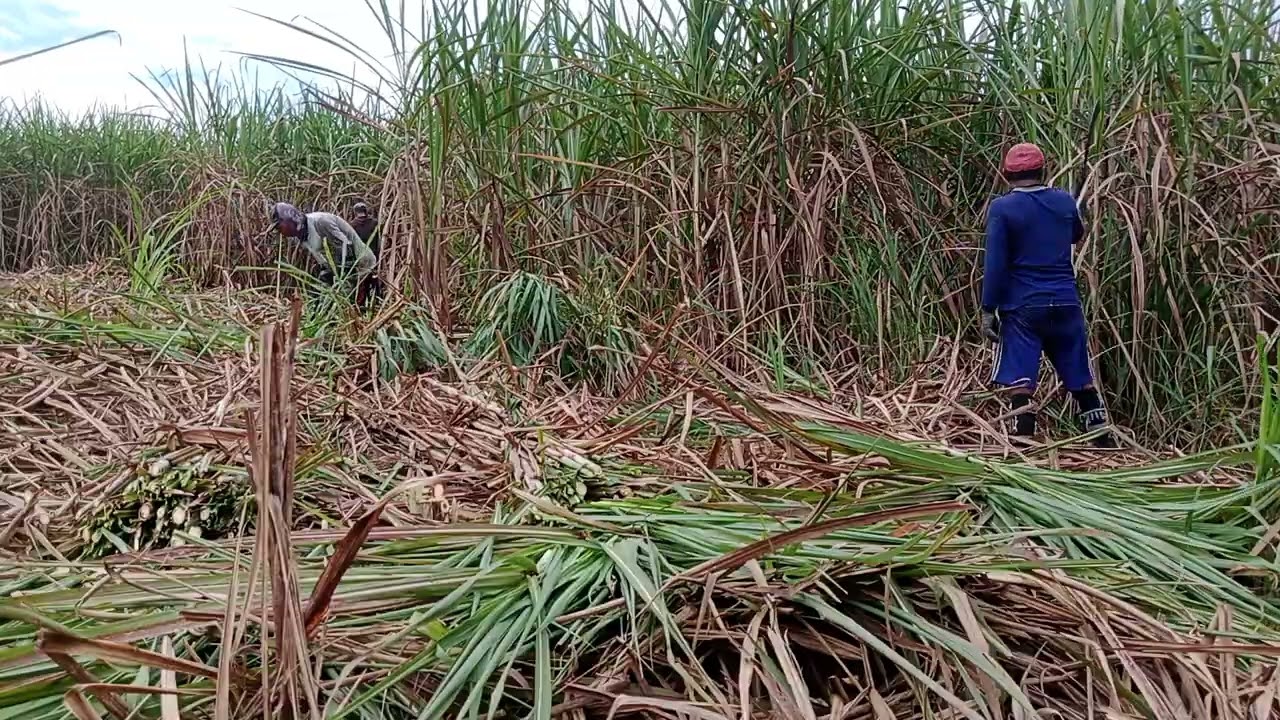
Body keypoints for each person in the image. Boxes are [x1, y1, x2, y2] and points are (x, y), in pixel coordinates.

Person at [980, 143, 1115, 448]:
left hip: (1025, 305)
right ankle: (1102, 440)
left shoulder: (1002, 208)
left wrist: (989, 308)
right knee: (1079, 373)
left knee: (1021, 376)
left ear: (1007, 174)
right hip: (1066, 302)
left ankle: (1024, 440)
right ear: (1044, 170)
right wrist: (1077, 209)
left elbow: (995, 262)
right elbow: (1076, 235)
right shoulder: (1064, 201)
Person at [270, 202, 381, 307]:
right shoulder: (300, 235)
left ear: (290, 220)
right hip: (338, 269)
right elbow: (324, 258)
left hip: (361, 266)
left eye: (280, 227)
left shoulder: (320, 222)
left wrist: (344, 286)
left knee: (357, 308)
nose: (281, 232)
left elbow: (346, 248)